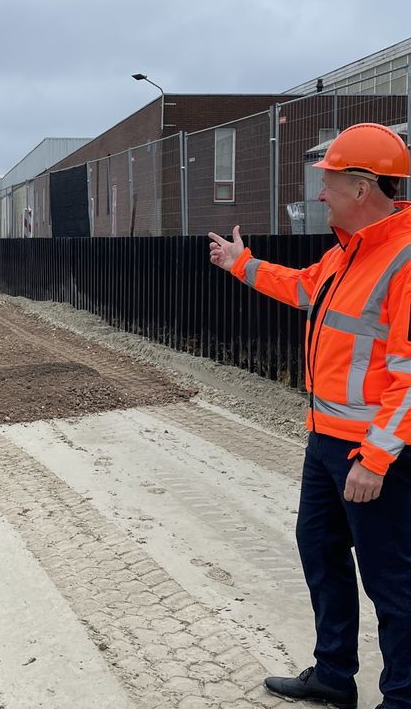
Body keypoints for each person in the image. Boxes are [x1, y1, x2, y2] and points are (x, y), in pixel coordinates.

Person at [208, 123, 411, 709]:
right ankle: (333, 675)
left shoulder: (402, 260)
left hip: (374, 454)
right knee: (320, 552)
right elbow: (302, 289)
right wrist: (240, 264)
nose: (319, 195)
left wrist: (376, 459)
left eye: (329, 183)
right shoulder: (347, 253)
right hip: (324, 441)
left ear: (363, 186)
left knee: (392, 580)